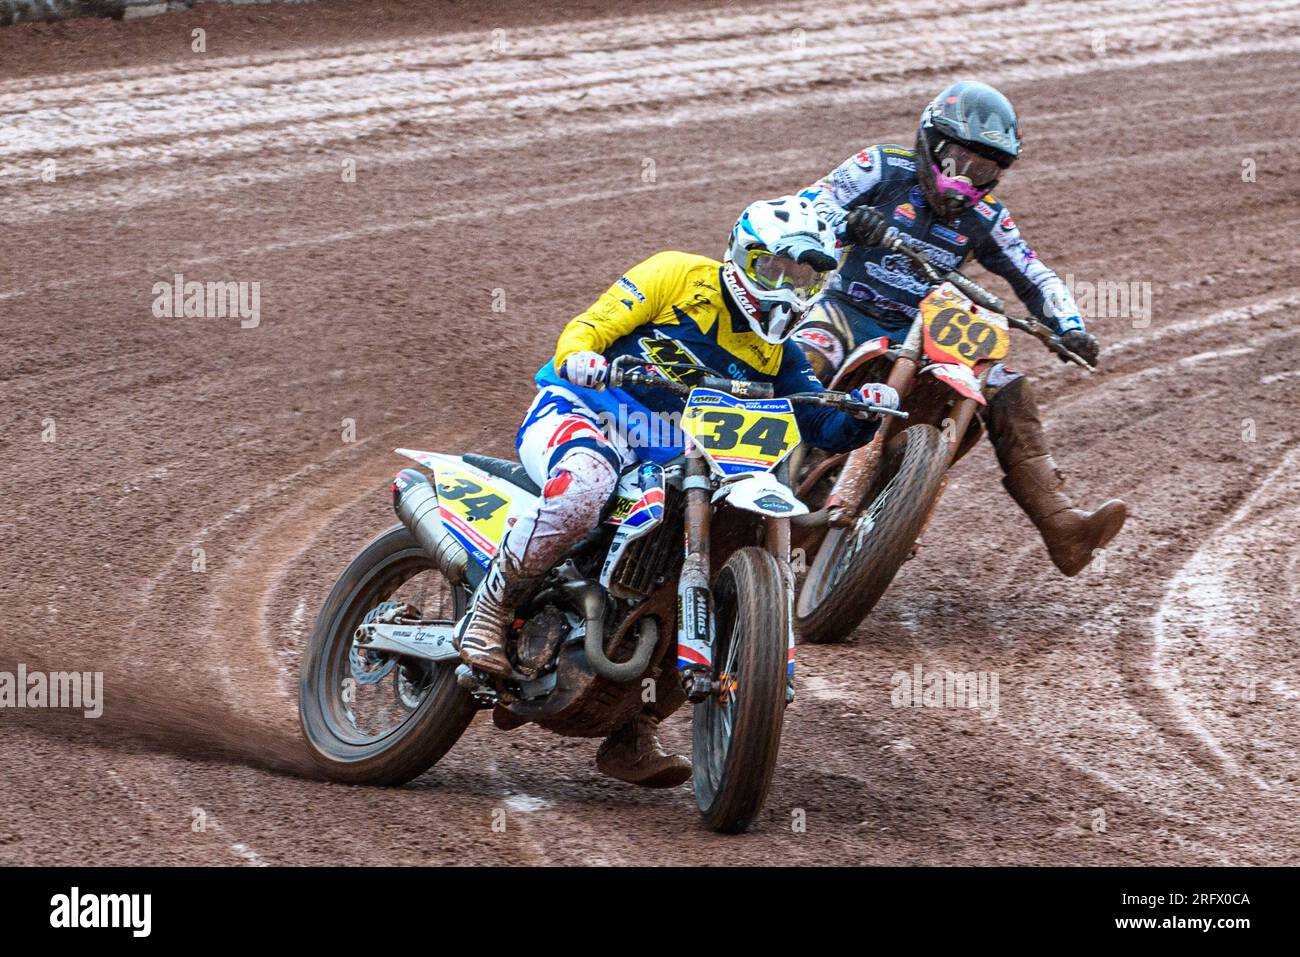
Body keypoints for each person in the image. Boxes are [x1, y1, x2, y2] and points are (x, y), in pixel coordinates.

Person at [457, 196, 898, 786]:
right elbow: (591, 326)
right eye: (776, 271)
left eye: (805, 278)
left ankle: (630, 726)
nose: (788, 290)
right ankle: (493, 606)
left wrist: (864, 414)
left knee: (702, 560)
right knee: (584, 490)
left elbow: (818, 422)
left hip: (676, 459)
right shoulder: (676, 274)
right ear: (745, 257)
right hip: (586, 413)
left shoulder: (780, 355)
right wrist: (585, 358)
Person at [792, 80, 1126, 576]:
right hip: (847, 310)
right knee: (804, 355)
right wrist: (848, 223)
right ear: (930, 141)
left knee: (1007, 386)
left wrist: (1068, 326)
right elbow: (805, 204)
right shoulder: (880, 166)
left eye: (983, 168)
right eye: (957, 161)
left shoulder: (987, 216)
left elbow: (1033, 273)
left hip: (923, 332)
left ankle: (1062, 527)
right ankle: (751, 471)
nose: (965, 178)